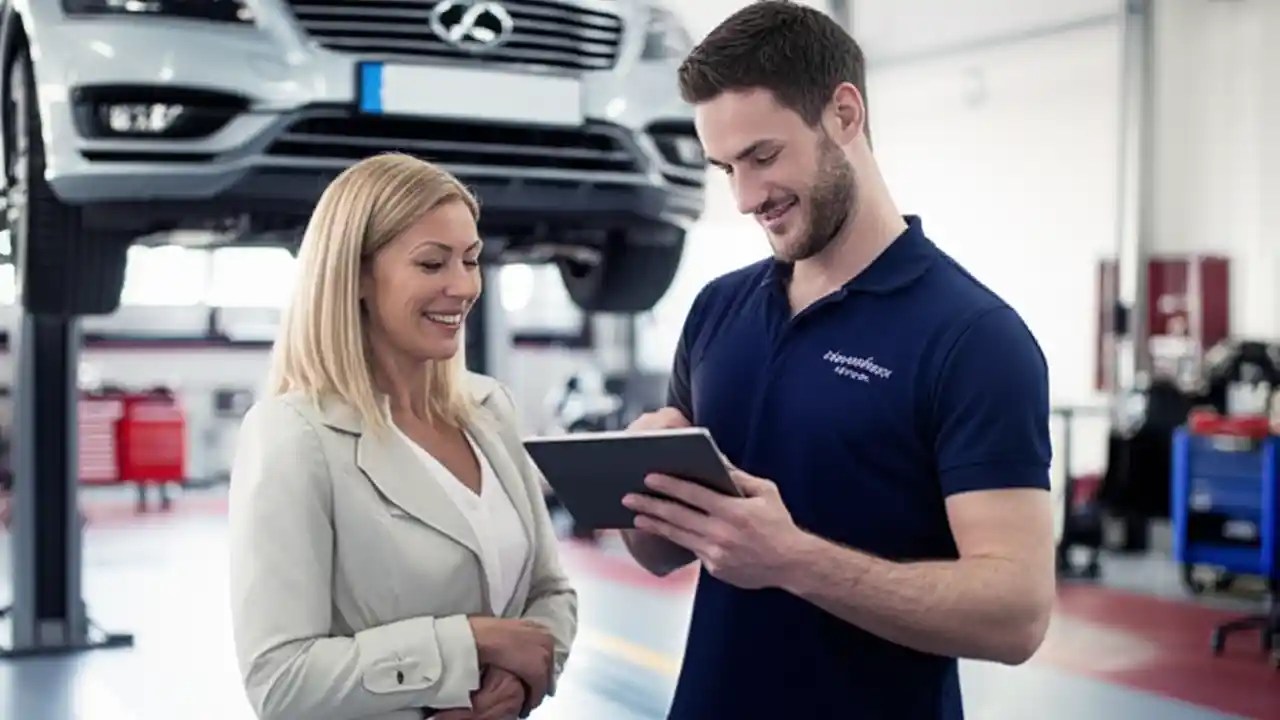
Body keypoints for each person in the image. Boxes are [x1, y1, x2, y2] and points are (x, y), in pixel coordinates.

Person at [619, 2, 1056, 718]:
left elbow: (1016, 615)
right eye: (727, 167)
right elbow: (661, 555)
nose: (746, 197)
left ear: (845, 116)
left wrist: (793, 559)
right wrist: (639, 488)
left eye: (762, 156)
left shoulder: (974, 338)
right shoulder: (715, 312)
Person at [228, 153, 577, 720]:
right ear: (358, 276)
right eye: (432, 264)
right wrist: (468, 642)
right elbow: (280, 681)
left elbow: (550, 591)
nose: (463, 286)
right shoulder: (294, 435)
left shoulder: (491, 412)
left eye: (471, 260)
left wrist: (517, 679)